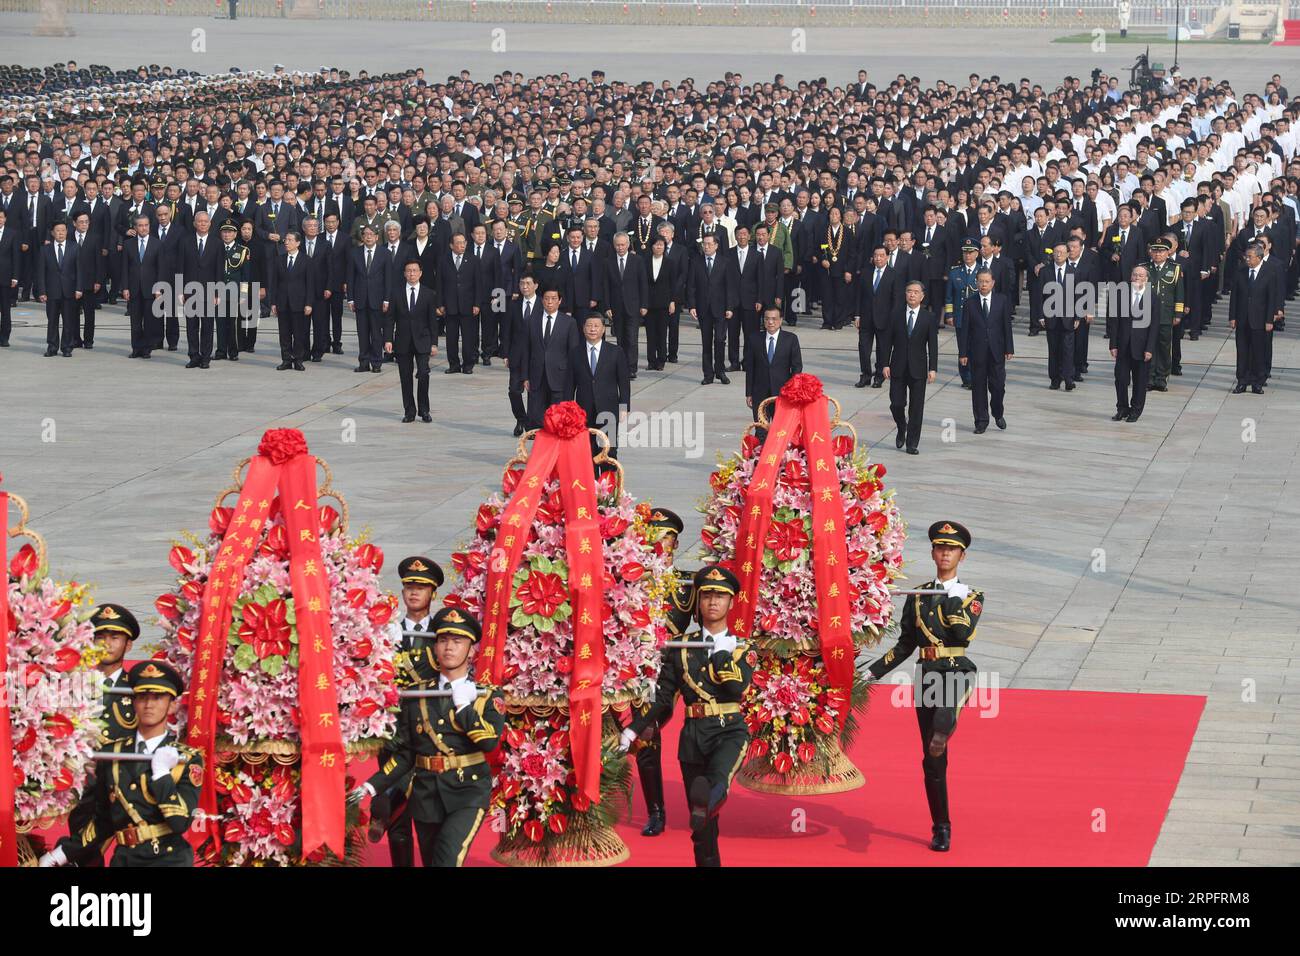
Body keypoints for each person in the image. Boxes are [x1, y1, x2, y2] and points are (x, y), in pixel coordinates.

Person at [620, 565, 752, 867]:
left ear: (732, 602)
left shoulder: (742, 646)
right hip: (693, 737)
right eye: (707, 595)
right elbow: (664, 699)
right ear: (699, 601)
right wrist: (633, 730)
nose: (713, 602)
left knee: (718, 780)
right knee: (703, 832)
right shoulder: (681, 647)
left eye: (721, 596)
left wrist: (721, 652)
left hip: (728, 731)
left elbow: (736, 686)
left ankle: (706, 801)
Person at [352, 607, 504, 868]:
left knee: (446, 859)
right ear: (434, 647)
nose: (449, 648)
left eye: (458, 642)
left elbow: (489, 742)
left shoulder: (487, 695)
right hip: (426, 795)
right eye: (443, 640)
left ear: (471, 650)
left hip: (467, 792)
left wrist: (465, 707)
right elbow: (406, 754)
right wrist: (371, 786)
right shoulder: (417, 695)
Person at [866, 520, 983, 853]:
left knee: (945, 716)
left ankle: (943, 729)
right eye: (940, 547)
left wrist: (949, 599)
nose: (945, 553)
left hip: (957, 669)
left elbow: (962, 634)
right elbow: (904, 645)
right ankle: (941, 826)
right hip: (926, 673)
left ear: (963, 556)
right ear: (933, 552)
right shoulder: (918, 596)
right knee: (933, 760)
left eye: (952, 549)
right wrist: (872, 674)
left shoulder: (972, 596)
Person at [42, 660, 203, 867]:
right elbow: (103, 822)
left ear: (173, 704)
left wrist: (162, 774)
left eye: (158, 697)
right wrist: (61, 854)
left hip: (169, 860)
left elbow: (180, 822)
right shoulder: (112, 754)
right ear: (133, 702)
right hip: (125, 859)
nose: (149, 704)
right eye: (142, 697)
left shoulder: (186, 758)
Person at [373, 556, 445, 867]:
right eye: (409, 587)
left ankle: (382, 806)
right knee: (398, 826)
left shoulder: (446, 633)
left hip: (432, 735)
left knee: (429, 819)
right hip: (395, 734)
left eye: (421, 587)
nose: (414, 592)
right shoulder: (388, 633)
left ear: (433, 593)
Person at [629, 508, 695, 837]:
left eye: (665, 538)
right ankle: (656, 810)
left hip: (673, 670)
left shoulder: (688, 584)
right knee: (646, 733)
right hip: (637, 668)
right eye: (652, 538)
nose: (658, 545)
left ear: (675, 542)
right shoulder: (631, 581)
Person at [884, 280, 938, 455]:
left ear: (922, 296)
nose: (912, 294)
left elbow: (933, 345)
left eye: (915, 292)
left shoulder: (928, 317)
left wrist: (933, 368)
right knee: (896, 404)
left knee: (917, 407)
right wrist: (884, 363)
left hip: (918, 368)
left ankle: (912, 443)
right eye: (909, 291)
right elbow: (887, 342)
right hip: (898, 366)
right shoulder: (895, 314)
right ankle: (901, 426)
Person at [960, 270, 1014, 434]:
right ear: (976, 283)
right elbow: (965, 331)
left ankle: (997, 413)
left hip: (997, 351)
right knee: (978, 388)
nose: (983, 284)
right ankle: (981, 421)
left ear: (993, 283)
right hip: (977, 352)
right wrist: (963, 353)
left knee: (998, 386)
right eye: (981, 281)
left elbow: (1006, 326)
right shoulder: (970, 303)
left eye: (986, 281)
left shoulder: (1001, 301)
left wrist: (1009, 348)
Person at [385, 260, 438, 423]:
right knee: (405, 377)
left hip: (423, 340)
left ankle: (424, 409)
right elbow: (390, 319)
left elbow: (432, 321)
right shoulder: (396, 293)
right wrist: (388, 339)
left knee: (423, 374)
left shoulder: (429, 294)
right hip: (403, 341)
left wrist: (434, 343)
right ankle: (409, 411)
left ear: (421, 273)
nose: (412, 274)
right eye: (409, 271)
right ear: (404, 273)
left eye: (415, 271)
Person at [571, 312, 630, 459]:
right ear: (583, 328)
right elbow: (569, 384)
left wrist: (624, 407)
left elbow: (623, 382)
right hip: (583, 411)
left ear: (603, 329)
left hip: (608, 409)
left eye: (596, 326)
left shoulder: (615, 352)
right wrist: (568, 410)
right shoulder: (575, 353)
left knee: (608, 450)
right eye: (589, 326)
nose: (592, 329)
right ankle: (591, 481)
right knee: (586, 451)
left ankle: (608, 481)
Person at [519, 287, 580, 428]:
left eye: (553, 299)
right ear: (542, 300)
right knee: (535, 416)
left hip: (559, 376)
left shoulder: (569, 323)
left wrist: (572, 378)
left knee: (558, 417)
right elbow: (526, 350)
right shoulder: (531, 321)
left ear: (560, 301)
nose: (549, 302)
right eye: (546, 298)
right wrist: (525, 376)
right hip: (536, 376)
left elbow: (573, 353)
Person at [1109, 265, 1158, 421]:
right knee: (1121, 379)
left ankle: (1136, 410)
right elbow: (1114, 322)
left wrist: (1149, 348)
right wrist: (1113, 344)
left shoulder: (1153, 297)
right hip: (1123, 346)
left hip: (1142, 347)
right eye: (1135, 275)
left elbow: (1154, 326)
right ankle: (1122, 408)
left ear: (1146, 279)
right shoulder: (1121, 294)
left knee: (1139, 381)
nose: (1137, 278)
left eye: (1141, 276)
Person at [688, 232, 737, 385]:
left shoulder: (725, 262)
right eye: (704, 244)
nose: (707, 246)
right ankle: (708, 374)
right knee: (706, 342)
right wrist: (692, 306)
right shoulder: (696, 261)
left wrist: (730, 307)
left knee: (720, 340)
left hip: (721, 308)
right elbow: (691, 286)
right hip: (703, 308)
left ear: (716, 245)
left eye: (710, 244)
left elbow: (730, 287)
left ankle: (720, 371)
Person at [1229, 244, 1278, 395]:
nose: (1247, 259)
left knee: (1258, 352)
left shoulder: (1269, 272)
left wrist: (1270, 319)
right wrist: (1232, 317)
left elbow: (1272, 299)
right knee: (1242, 352)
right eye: (1246, 256)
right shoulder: (1241, 271)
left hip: (1260, 320)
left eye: (1250, 257)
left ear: (1259, 257)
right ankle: (1242, 381)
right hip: (1242, 319)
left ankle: (1257, 382)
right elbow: (1234, 296)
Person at [743, 307, 802, 422]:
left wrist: (792, 390)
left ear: (780, 320)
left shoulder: (790, 339)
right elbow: (750, 368)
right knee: (761, 430)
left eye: (774, 319)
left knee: (780, 430)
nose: (770, 322)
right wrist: (749, 393)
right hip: (759, 393)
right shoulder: (754, 339)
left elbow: (797, 367)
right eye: (767, 319)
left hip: (782, 393)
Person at [347, 224, 392, 374]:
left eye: (371, 234)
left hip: (378, 300)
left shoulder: (384, 253)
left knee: (376, 333)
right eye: (365, 234)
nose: (368, 237)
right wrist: (350, 299)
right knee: (363, 333)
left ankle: (376, 362)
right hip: (360, 299)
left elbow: (388, 278)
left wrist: (387, 299)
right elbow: (351, 277)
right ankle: (363, 362)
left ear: (377, 237)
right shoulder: (355, 253)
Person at [268, 230, 314, 371]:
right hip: (282, 302)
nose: (286, 242)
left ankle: (298, 360)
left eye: (290, 240)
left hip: (299, 303)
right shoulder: (279, 259)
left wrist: (309, 303)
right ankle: (286, 360)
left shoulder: (306, 260)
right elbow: (274, 283)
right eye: (286, 240)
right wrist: (273, 303)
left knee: (299, 334)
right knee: (284, 334)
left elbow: (310, 284)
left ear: (298, 243)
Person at [181, 209, 222, 368]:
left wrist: (217, 292)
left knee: (207, 326)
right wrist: (180, 290)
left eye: (206, 221)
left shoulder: (217, 243)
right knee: (191, 326)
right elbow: (180, 266)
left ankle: (205, 357)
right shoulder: (185, 241)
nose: (203, 224)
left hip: (209, 291)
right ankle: (193, 356)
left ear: (210, 224)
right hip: (190, 292)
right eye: (200, 221)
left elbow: (219, 269)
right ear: (194, 223)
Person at [1143, 238, 1185, 392]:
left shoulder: (1175, 268)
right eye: (1155, 250)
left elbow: (1179, 293)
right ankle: (1149, 377)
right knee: (1149, 346)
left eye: (1161, 251)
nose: (1157, 254)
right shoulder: (1144, 268)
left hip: (1165, 314)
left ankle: (1161, 378)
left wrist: (1178, 313)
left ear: (1168, 253)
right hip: (1147, 314)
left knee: (1164, 346)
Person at [856, 244, 900, 388]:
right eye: (876, 256)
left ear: (887, 257)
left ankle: (879, 376)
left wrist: (893, 320)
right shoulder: (865, 272)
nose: (878, 258)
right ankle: (866, 375)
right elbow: (858, 296)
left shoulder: (893, 274)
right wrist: (857, 315)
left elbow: (896, 300)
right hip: (866, 318)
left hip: (885, 319)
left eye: (881, 256)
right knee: (863, 348)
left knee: (883, 349)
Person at [438, 232, 482, 375]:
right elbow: (439, 284)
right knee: (451, 338)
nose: (461, 245)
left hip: (468, 305)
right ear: (451, 245)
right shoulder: (443, 260)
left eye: (463, 242)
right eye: (458, 242)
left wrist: (477, 304)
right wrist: (440, 304)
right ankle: (454, 364)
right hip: (450, 305)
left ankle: (468, 364)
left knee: (468, 337)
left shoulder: (474, 260)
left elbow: (478, 283)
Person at [34, 219, 79, 356]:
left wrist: (79, 288)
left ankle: (67, 347)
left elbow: (79, 270)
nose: (61, 233)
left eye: (63, 230)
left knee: (68, 321)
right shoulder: (45, 249)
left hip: (69, 291)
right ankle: (52, 347)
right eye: (58, 231)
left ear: (67, 232)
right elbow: (40, 272)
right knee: (52, 321)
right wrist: (42, 291)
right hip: (52, 291)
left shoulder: (74, 247)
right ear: (52, 233)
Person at [944, 240, 981, 388]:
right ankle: (965, 377)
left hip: (977, 318)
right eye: (965, 252)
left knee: (976, 348)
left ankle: (975, 377)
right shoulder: (955, 272)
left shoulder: (982, 271)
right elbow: (949, 297)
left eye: (970, 252)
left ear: (977, 253)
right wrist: (949, 315)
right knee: (963, 348)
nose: (967, 255)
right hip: (960, 317)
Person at [216, 218, 248, 361]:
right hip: (218, 292)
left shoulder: (242, 251)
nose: (227, 235)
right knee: (220, 323)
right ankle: (221, 351)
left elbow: (245, 275)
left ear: (235, 234)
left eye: (230, 232)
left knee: (232, 324)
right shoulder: (216, 248)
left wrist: (243, 294)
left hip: (234, 292)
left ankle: (233, 351)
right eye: (224, 232)